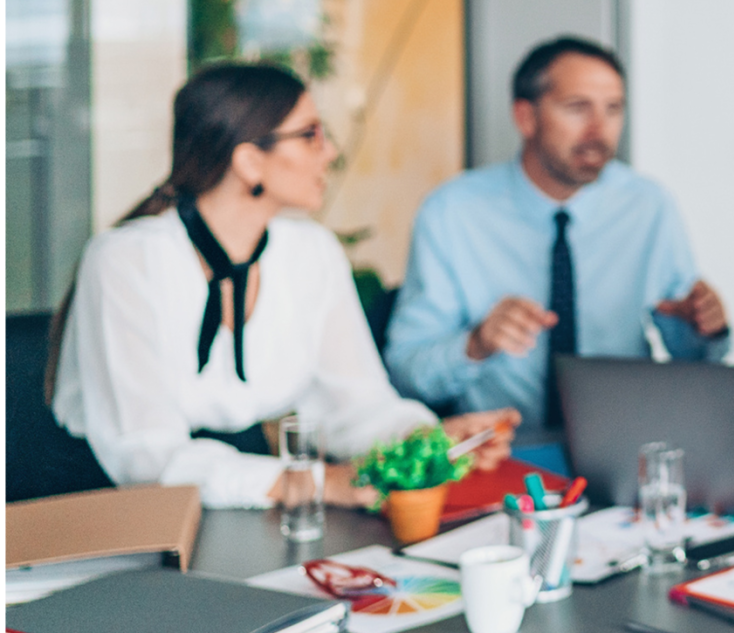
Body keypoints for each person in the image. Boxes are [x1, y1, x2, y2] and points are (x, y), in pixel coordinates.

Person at [50, 63, 516, 509]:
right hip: (117, 513)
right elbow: (145, 457)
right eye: (311, 134)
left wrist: (428, 439)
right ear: (250, 161)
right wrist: (311, 483)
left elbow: (355, 404)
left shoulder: (312, 251)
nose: (330, 152)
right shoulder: (123, 261)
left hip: (252, 501)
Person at [384, 36, 730, 428]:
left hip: (623, 442)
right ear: (525, 117)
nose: (599, 130)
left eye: (613, 109)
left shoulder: (649, 207)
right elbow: (406, 373)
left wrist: (703, 329)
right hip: (502, 452)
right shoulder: (451, 213)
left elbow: (697, 361)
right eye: (577, 108)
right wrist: (475, 345)